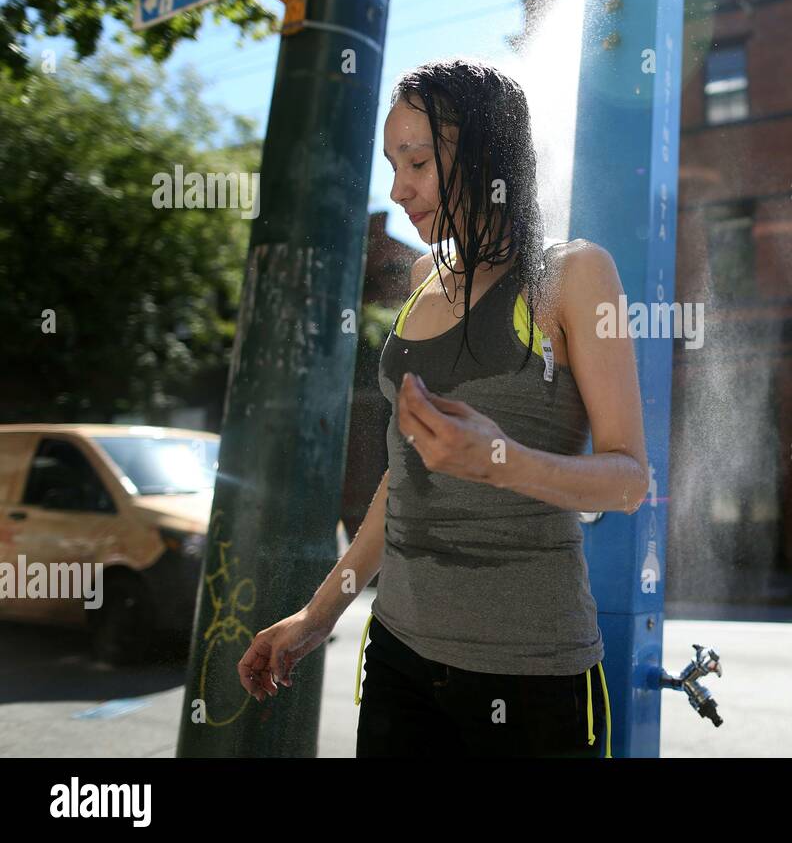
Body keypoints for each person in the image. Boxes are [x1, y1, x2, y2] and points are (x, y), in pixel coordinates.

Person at [235, 58, 650, 757]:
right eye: (392, 165)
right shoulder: (424, 276)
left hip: (533, 676)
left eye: (418, 162)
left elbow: (629, 478)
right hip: (399, 658)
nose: (398, 189)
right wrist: (317, 614)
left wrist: (503, 461)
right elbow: (404, 479)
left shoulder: (573, 275)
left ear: (487, 152)